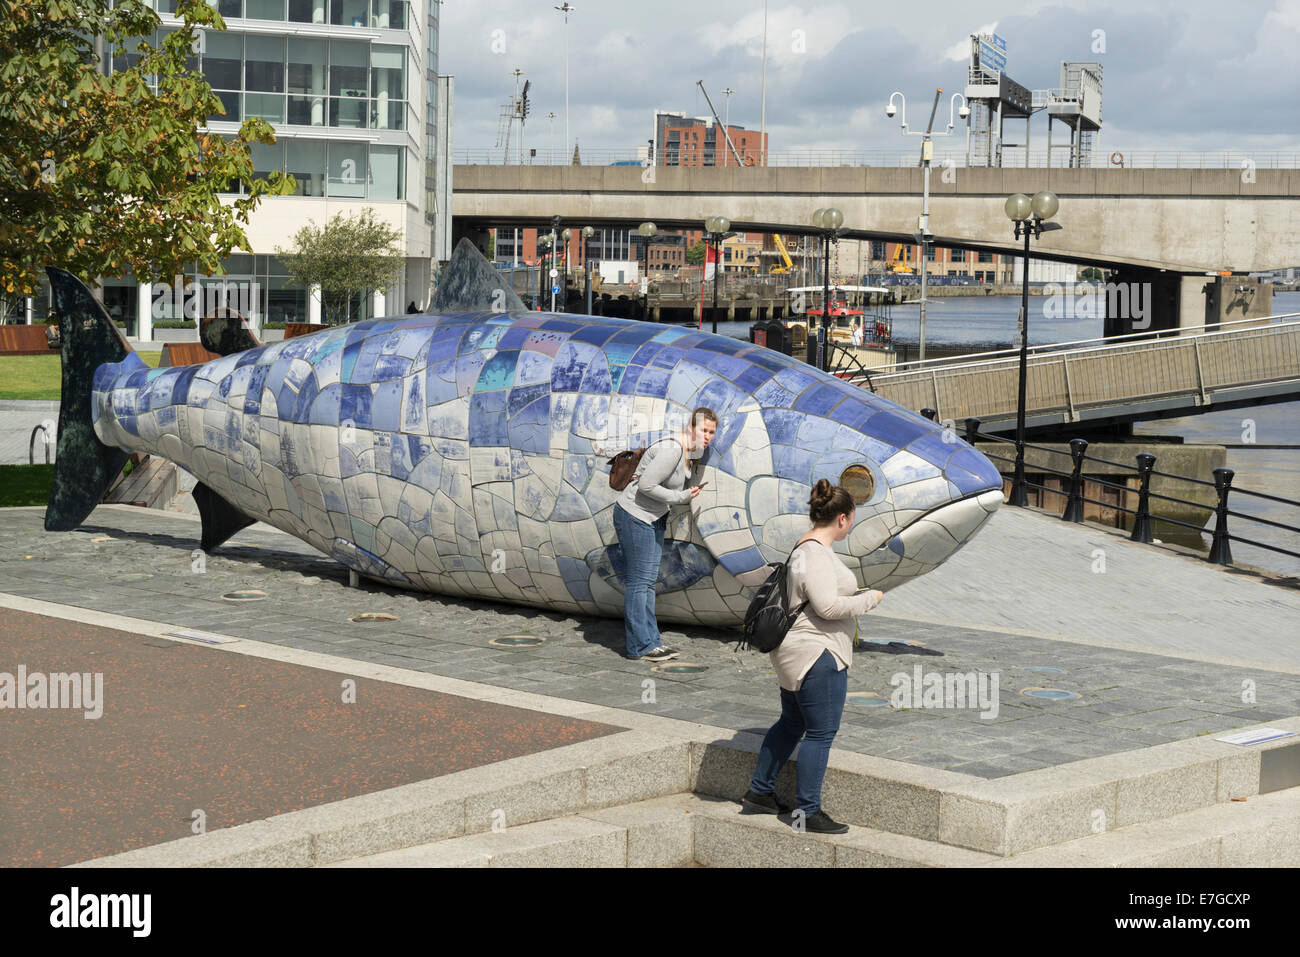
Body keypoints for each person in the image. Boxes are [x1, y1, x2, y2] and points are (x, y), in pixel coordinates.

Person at [742, 479, 884, 834]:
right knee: (821, 732)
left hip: (796, 652)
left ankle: (759, 793)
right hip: (818, 654)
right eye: (852, 518)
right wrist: (870, 599)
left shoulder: (803, 548)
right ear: (843, 519)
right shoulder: (816, 554)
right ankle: (807, 811)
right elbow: (828, 605)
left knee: (791, 722)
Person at [612, 407, 717, 662]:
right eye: (703, 430)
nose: (708, 436)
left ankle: (651, 642)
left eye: (712, 432)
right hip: (636, 517)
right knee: (640, 583)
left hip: (653, 518)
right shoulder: (673, 449)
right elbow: (647, 485)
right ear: (691, 427)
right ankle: (640, 646)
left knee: (647, 583)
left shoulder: (689, 452)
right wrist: (680, 497)